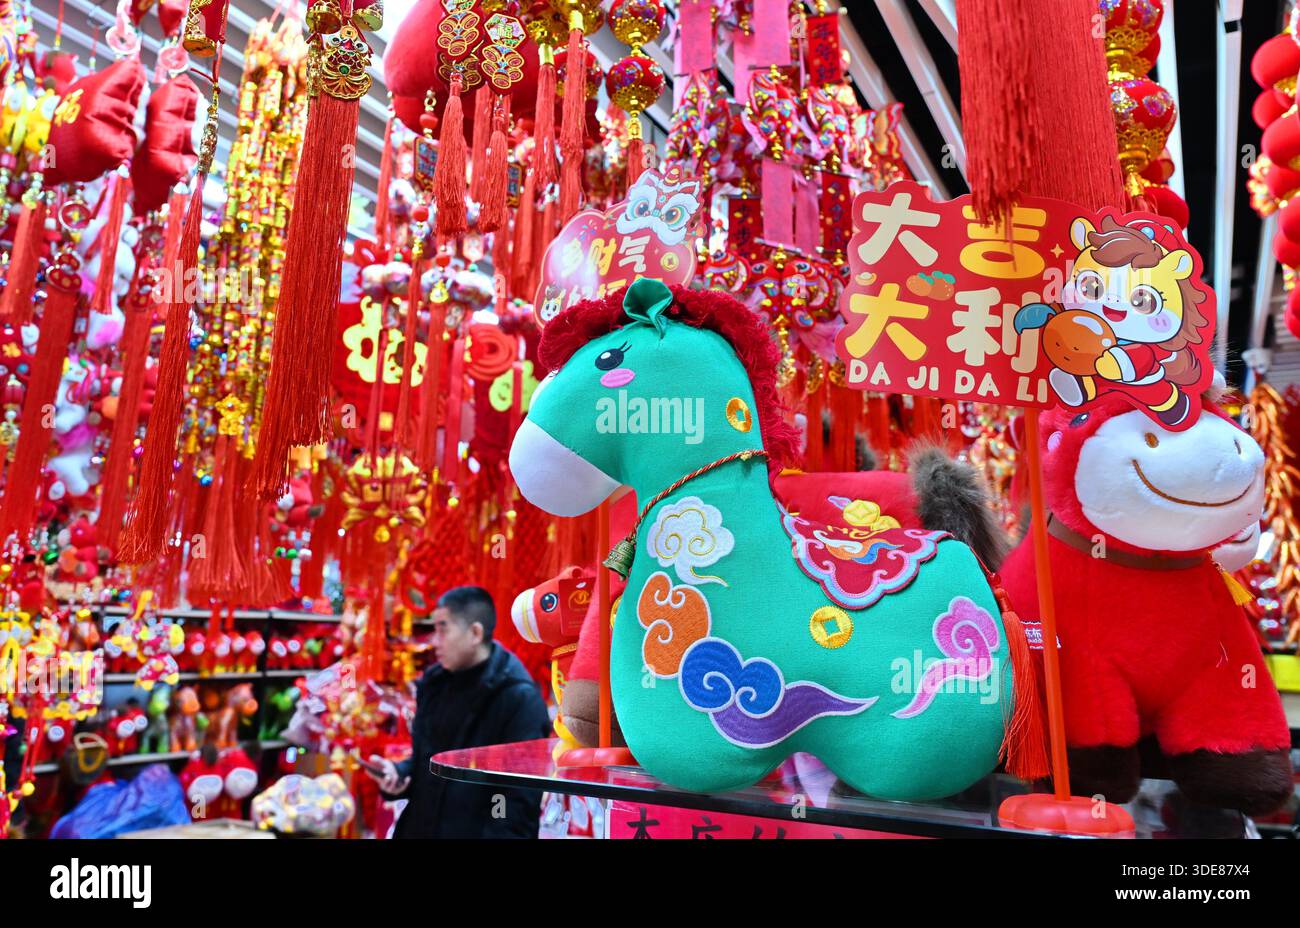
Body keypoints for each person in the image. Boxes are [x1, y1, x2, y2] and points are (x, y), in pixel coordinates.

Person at [367, 585, 551, 838]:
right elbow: (426, 762)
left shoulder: (519, 699)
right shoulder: (434, 683)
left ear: (475, 633)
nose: (434, 640)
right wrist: (398, 774)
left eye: (443, 628)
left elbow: (515, 805)